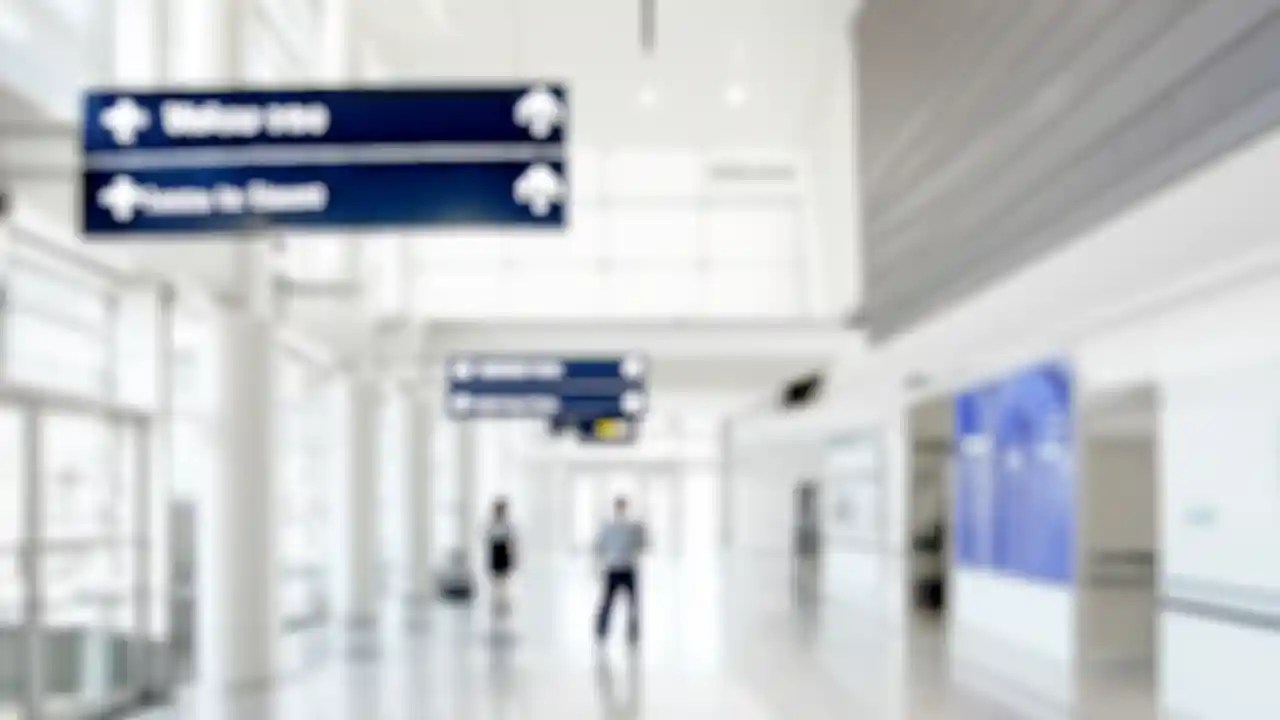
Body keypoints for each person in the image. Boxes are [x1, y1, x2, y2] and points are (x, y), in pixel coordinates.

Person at [594, 497, 646, 646]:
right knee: (614, 602)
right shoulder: (623, 526)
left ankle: (625, 632)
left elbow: (600, 546)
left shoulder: (628, 526)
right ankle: (606, 631)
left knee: (628, 603)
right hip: (619, 568)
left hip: (621, 567)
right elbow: (641, 545)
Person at [486, 498, 517, 618]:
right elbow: (489, 540)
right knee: (496, 581)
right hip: (496, 553)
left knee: (504, 581)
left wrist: (511, 557)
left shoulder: (507, 525)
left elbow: (511, 542)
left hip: (503, 553)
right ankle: (496, 603)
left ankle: (504, 603)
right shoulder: (492, 525)